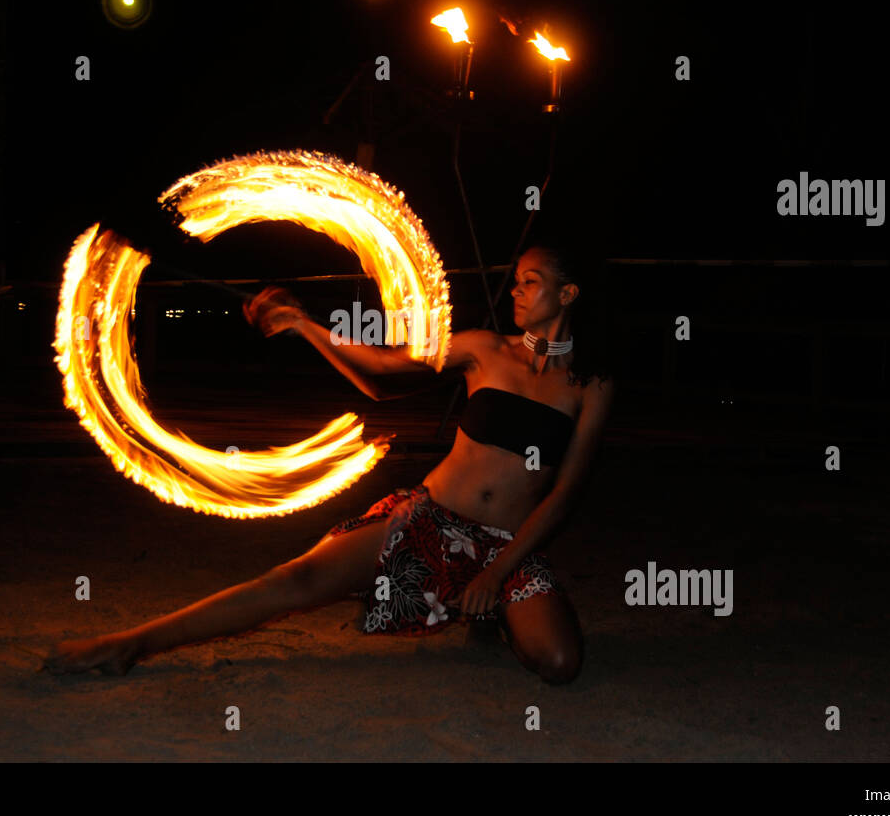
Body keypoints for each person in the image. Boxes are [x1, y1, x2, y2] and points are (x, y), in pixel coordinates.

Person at [42, 238, 616, 684]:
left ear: (568, 295)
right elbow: (381, 374)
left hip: (508, 547)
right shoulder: (483, 349)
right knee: (298, 578)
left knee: (560, 663)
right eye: (515, 282)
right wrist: (304, 324)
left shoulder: (589, 386)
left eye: (531, 283)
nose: (514, 292)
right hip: (432, 520)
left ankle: (487, 612)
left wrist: (495, 574)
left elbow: (563, 495)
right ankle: (132, 643)